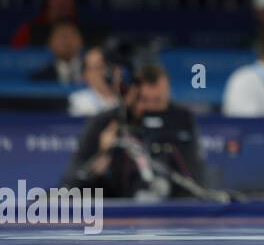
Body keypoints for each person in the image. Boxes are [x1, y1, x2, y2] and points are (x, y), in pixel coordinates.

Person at [63, 62, 203, 198]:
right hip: (119, 210)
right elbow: (70, 184)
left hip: (171, 209)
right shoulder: (104, 124)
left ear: (168, 96)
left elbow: (197, 180)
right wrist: (102, 154)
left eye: (158, 101)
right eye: (144, 100)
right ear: (131, 96)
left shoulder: (181, 120)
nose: (150, 108)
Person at [28, 19, 84, 85]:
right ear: (50, 43)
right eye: (61, 36)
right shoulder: (38, 79)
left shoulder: (96, 73)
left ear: (81, 41)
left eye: (72, 35)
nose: (67, 41)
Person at [68, 46, 118, 117]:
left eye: (102, 66)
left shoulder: (126, 97)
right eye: (94, 68)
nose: (100, 73)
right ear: (85, 75)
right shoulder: (79, 100)